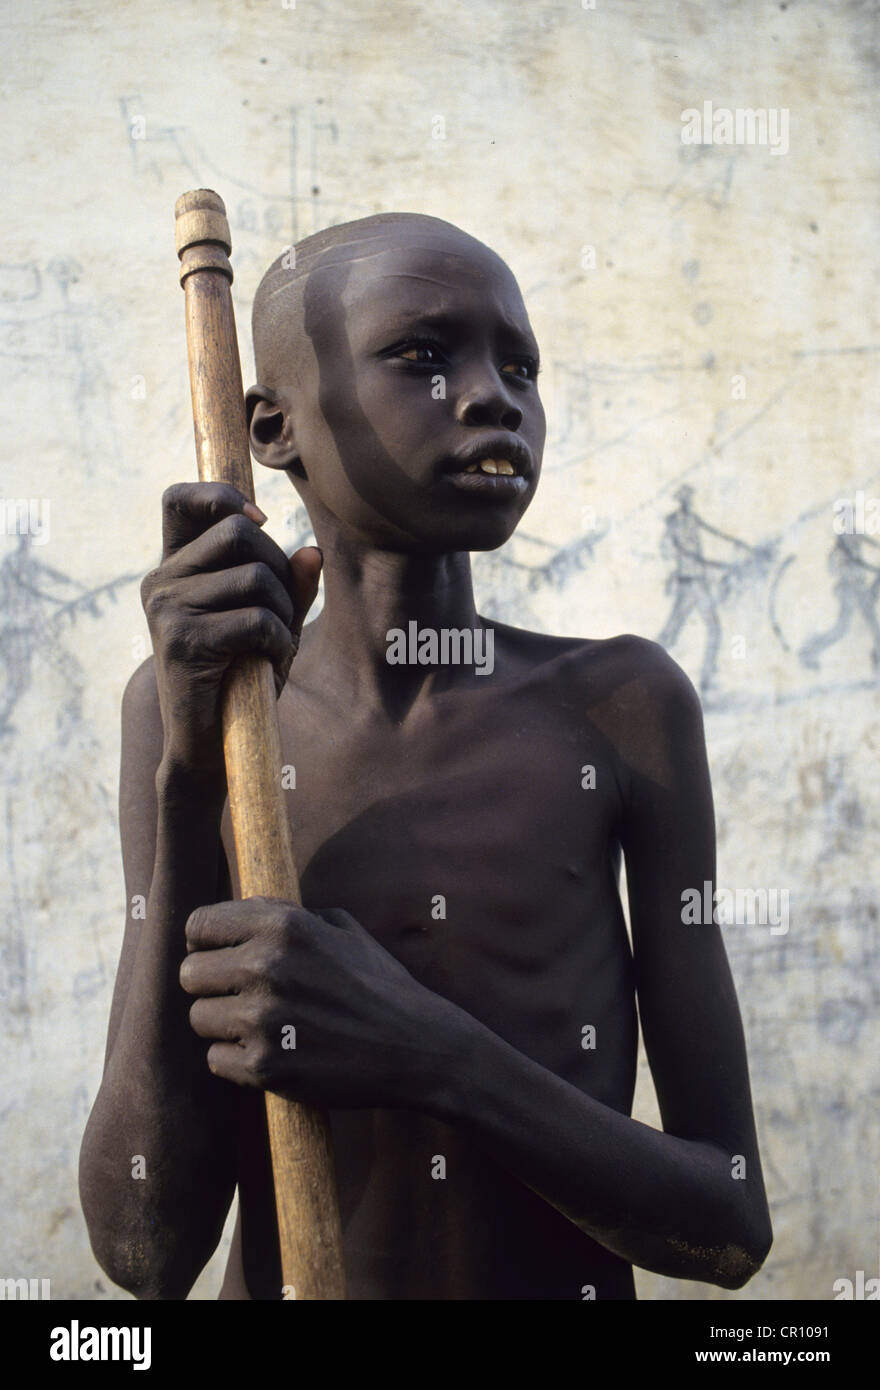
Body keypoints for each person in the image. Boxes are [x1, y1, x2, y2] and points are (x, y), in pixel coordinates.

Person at [79, 213, 772, 1300]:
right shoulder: (206, 719)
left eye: (519, 365)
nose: (493, 394)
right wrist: (186, 781)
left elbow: (727, 1227)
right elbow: (143, 1253)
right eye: (423, 356)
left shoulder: (623, 706)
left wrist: (432, 1054)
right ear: (272, 427)